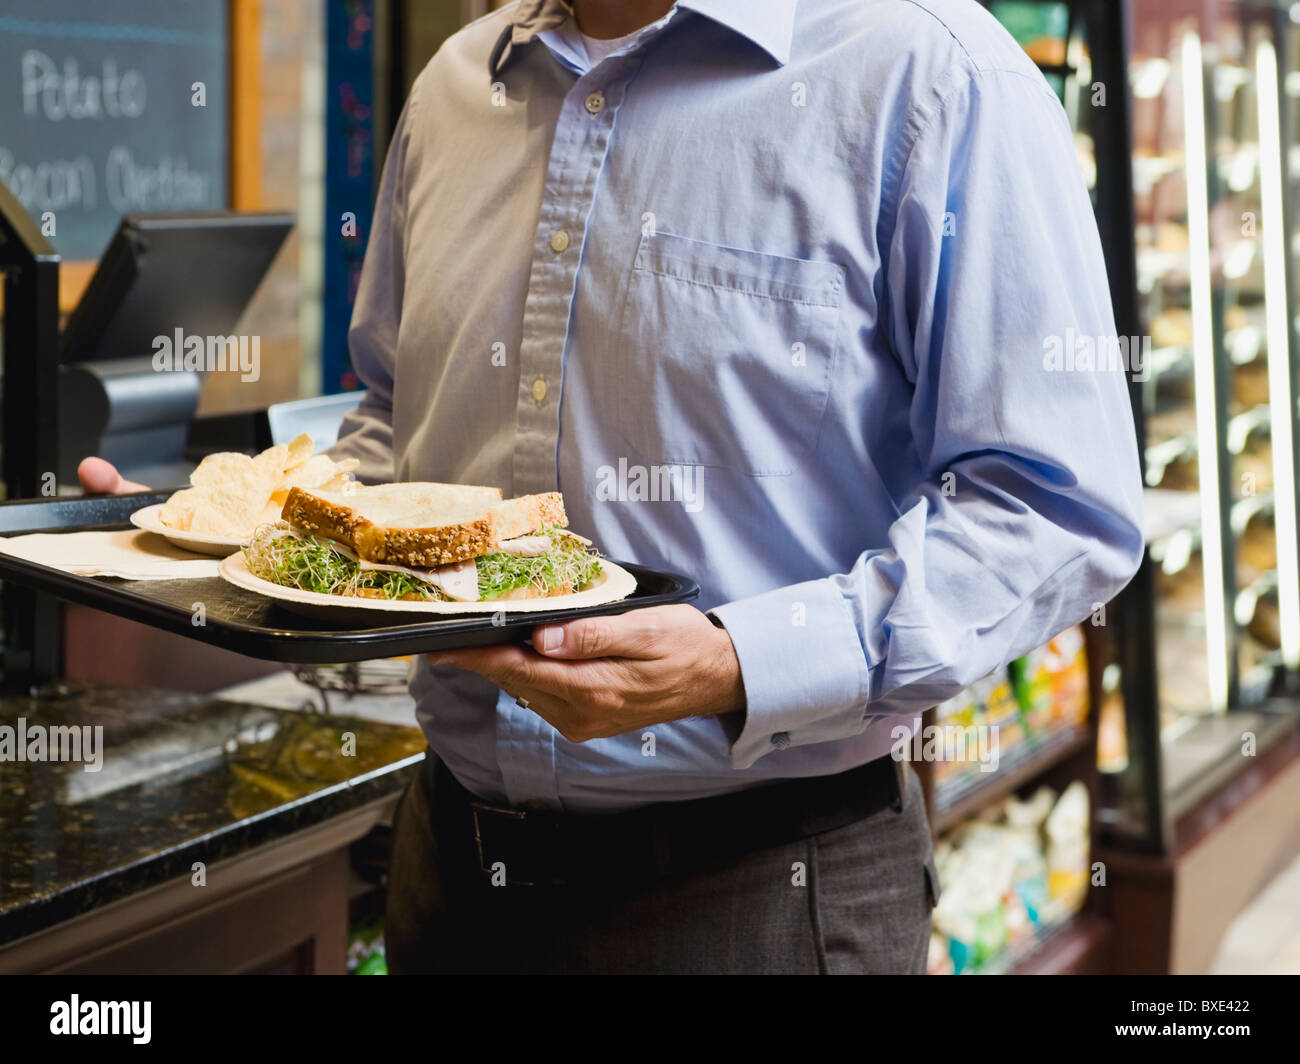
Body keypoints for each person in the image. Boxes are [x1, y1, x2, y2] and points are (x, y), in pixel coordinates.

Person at [83, 0, 1144, 974]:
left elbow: (1056, 504)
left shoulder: (930, 73)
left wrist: (739, 661)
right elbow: (396, 423)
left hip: (762, 894)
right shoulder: (459, 85)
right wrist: (232, 524)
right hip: (451, 869)